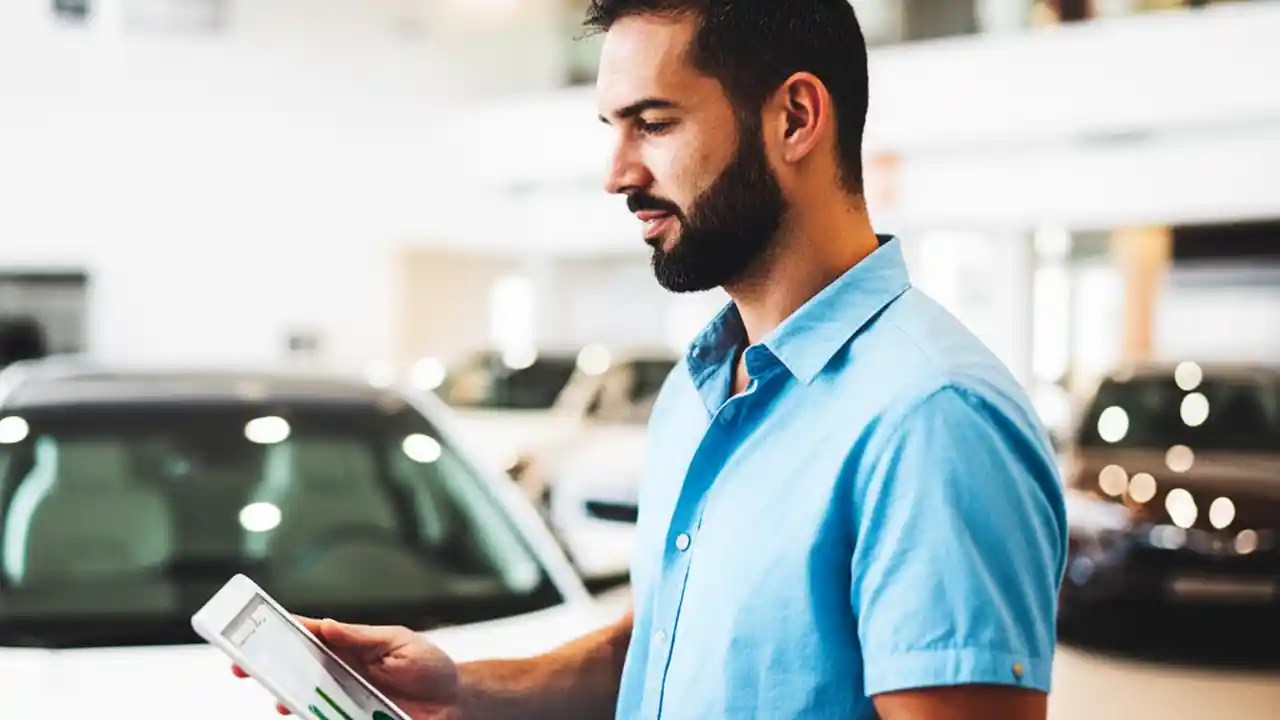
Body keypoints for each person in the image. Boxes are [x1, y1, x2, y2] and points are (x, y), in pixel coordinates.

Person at [238, 2, 1066, 718]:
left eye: (655, 124)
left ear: (795, 119)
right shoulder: (699, 388)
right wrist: (462, 692)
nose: (617, 174)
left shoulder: (933, 414)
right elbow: (663, 655)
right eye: (613, 129)